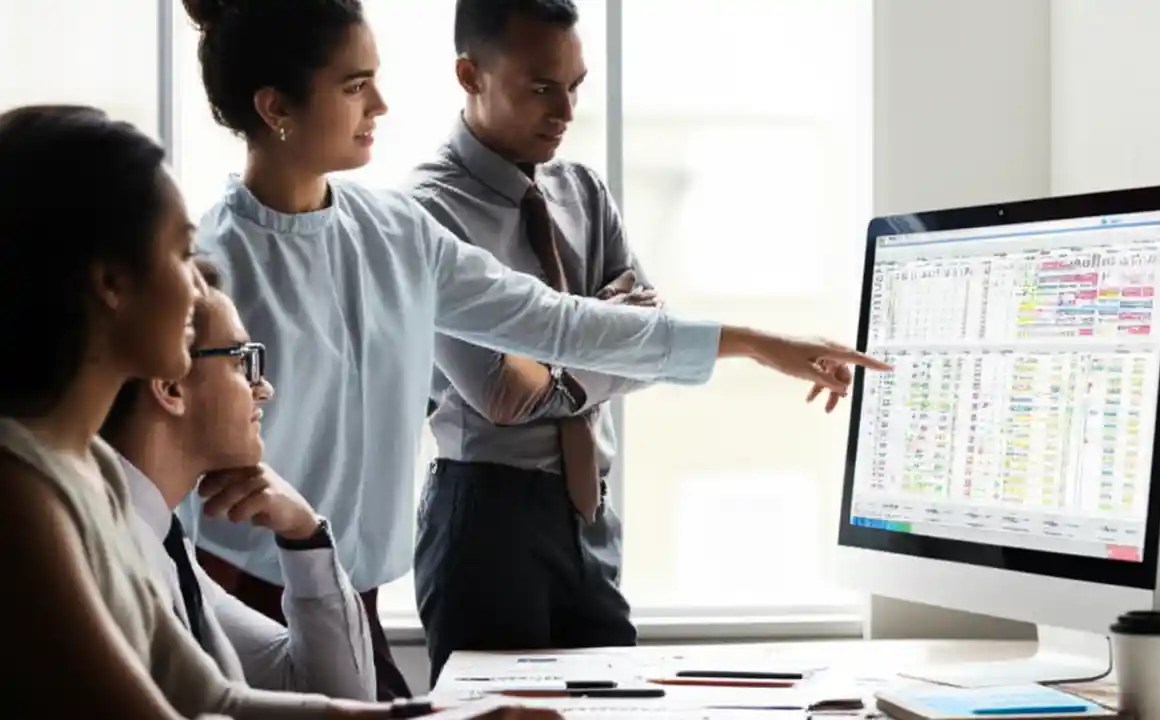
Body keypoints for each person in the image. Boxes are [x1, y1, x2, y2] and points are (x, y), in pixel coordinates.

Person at [179, 0, 891, 695]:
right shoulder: (209, 266)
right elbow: (156, 464)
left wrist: (759, 344)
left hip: (351, 599)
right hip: (240, 593)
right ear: (277, 108)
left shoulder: (397, 232)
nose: (382, 106)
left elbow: (557, 323)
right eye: (356, 86)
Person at [0, 103, 566, 720]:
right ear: (110, 283)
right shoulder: (19, 490)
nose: (200, 286)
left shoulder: (99, 479)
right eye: (182, 253)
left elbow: (213, 700)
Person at [407, 0, 772, 682]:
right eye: (541, 87)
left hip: (590, 518)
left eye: (575, 86)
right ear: (469, 74)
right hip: (487, 520)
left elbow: (648, 347)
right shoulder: (428, 212)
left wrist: (557, 366)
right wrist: (605, 331)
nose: (566, 112)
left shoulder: (583, 191)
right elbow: (500, 393)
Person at [100, 258, 377, 699]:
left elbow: (331, 693)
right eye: (240, 361)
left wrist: (304, 536)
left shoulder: (166, 546)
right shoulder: (105, 550)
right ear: (171, 387)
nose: (263, 387)